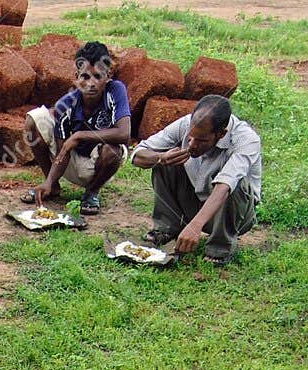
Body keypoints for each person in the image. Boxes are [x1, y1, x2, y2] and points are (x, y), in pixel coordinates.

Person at [130, 94, 261, 264]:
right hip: (195, 202)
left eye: (201, 140)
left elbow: (224, 185)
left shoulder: (246, 140)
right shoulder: (186, 124)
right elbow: (138, 154)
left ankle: (220, 247)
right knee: (165, 161)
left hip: (236, 215)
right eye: (190, 137)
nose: (191, 144)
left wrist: (194, 226)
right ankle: (166, 228)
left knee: (234, 184)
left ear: (221, 134)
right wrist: (161, 158)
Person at [21, 40, 131, 215]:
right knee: (35, 118)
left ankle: (91, 192)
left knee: (114, 150)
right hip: (69, 163)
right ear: (77, 76)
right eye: (85, 77)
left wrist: (80, 135)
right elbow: (62, 152)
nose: (91, 84)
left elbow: (124, 134)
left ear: (108, 75)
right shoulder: (66, 103)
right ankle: (52, 187)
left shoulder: (115, 90)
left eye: (98, 77)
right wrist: (49, 181)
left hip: (99, 165)